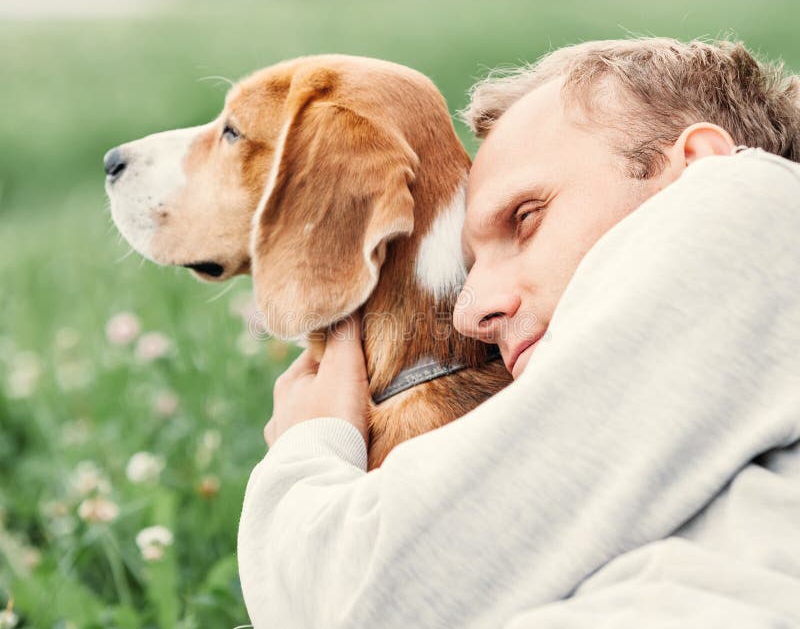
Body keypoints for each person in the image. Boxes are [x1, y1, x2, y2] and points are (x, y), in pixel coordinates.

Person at [238, 38, 800, 628]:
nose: (468, 314)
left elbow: (361, 596)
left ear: (701, 168)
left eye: (526, 218)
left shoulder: (755, 215)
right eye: (472, 265)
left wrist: (307, 449)